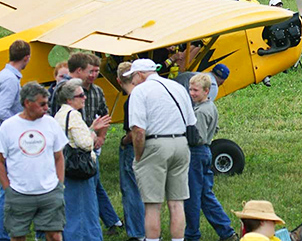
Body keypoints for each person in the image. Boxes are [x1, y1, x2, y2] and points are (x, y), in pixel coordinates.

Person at [126, 58, 197, 241]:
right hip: (180, 143)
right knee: (177, 202)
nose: (132, 82)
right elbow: (191, 122)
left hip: (155, 144)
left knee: (152, 204)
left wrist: (139, 155)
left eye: (132, 77)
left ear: (139, 74)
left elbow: (138, 130)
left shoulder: (139, 91)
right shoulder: (178, 87)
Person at [0, 82, 68, 241]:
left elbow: (59, 157)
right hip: (19, 193)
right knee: (17, 236)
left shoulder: (51, 123)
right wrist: (7, 188)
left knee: (55, 235)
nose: (46, 108)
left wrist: (59, 185)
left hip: (50, 192)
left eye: (47, 103)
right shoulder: (8, 127)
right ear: (27, 103)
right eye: (42, 104)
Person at [54, 79, 111, 241]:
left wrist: (91, 128)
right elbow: (85, 143)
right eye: (80, 95)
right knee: (83, 209)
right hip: (80, 169)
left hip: (66, 167)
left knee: (71, 209)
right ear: (69, 99)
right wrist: (93, 134)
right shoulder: (74, 115)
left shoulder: (60, 114)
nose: (84, 97)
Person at [185, 74, 237, 241]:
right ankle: (226, 231)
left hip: (196, 153)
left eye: (195, 90)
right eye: (190, 89)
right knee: (206, 194)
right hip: (206, 151)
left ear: (206, 91)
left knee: (192, 196)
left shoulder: (199, 112)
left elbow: (196, 138)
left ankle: (192, 234)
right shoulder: (210, 106)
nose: (191, 93)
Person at [0, 40, 31, 241]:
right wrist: (19, 125)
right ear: (27, 57)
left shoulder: (6, 75)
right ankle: (3, 233)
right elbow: (2, 109)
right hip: (7, 139)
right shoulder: (10, 80)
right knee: (6, 187)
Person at [116, 62, 146, 241]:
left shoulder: (131, 101)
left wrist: (123, 141)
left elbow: (133, 132)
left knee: (130, 189)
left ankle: (136, 232)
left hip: (133, 148)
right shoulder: (145, 96)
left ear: (119, 80)